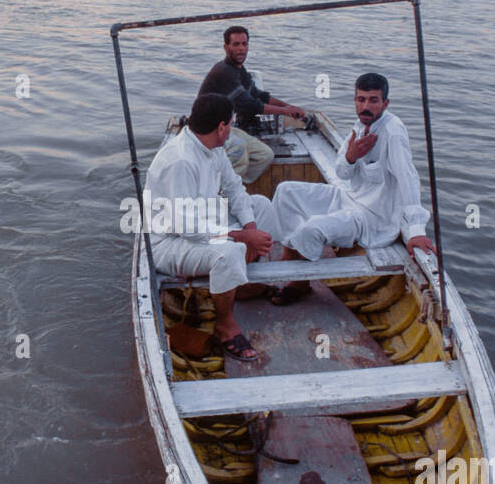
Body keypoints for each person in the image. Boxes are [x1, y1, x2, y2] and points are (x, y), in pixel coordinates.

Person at [270, 72, 436, 304]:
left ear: (385, 104)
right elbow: (342, 173)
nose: (365, 106)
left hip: (370, 217)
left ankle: (299, 281)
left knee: (311, 229)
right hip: (347, 196)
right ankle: (290, 251)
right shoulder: (360, 125)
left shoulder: (392, 132)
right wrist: (350, 156)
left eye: (373, 100)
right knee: (285, 190)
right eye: (360, 99)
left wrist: (417, 230)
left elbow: (409, 178)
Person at [144, 92, 280, 360]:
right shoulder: (180, 161)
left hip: (205, 222)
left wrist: (249, 228)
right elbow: (187, 228)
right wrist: (241, 237)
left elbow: (234, 189)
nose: (232, 128)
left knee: (261, 205)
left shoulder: (213, 147)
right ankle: (225, 325)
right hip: (170, 242)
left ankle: (242, 285)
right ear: (221, 127)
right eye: (231, 123)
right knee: (227, 253)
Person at [198, 26, 307, 184]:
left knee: (265, 155)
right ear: (225, 47)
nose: (241, 48)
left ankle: (234, 188)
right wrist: (284, 111)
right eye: (236, 44)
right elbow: (250, 106)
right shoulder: (223, 71)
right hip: (207, 129)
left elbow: (259, 96)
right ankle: (218, 193)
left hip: (225, 126)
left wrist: (289, 108)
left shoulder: (240, 71)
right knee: (239, 147)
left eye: (244, 44)